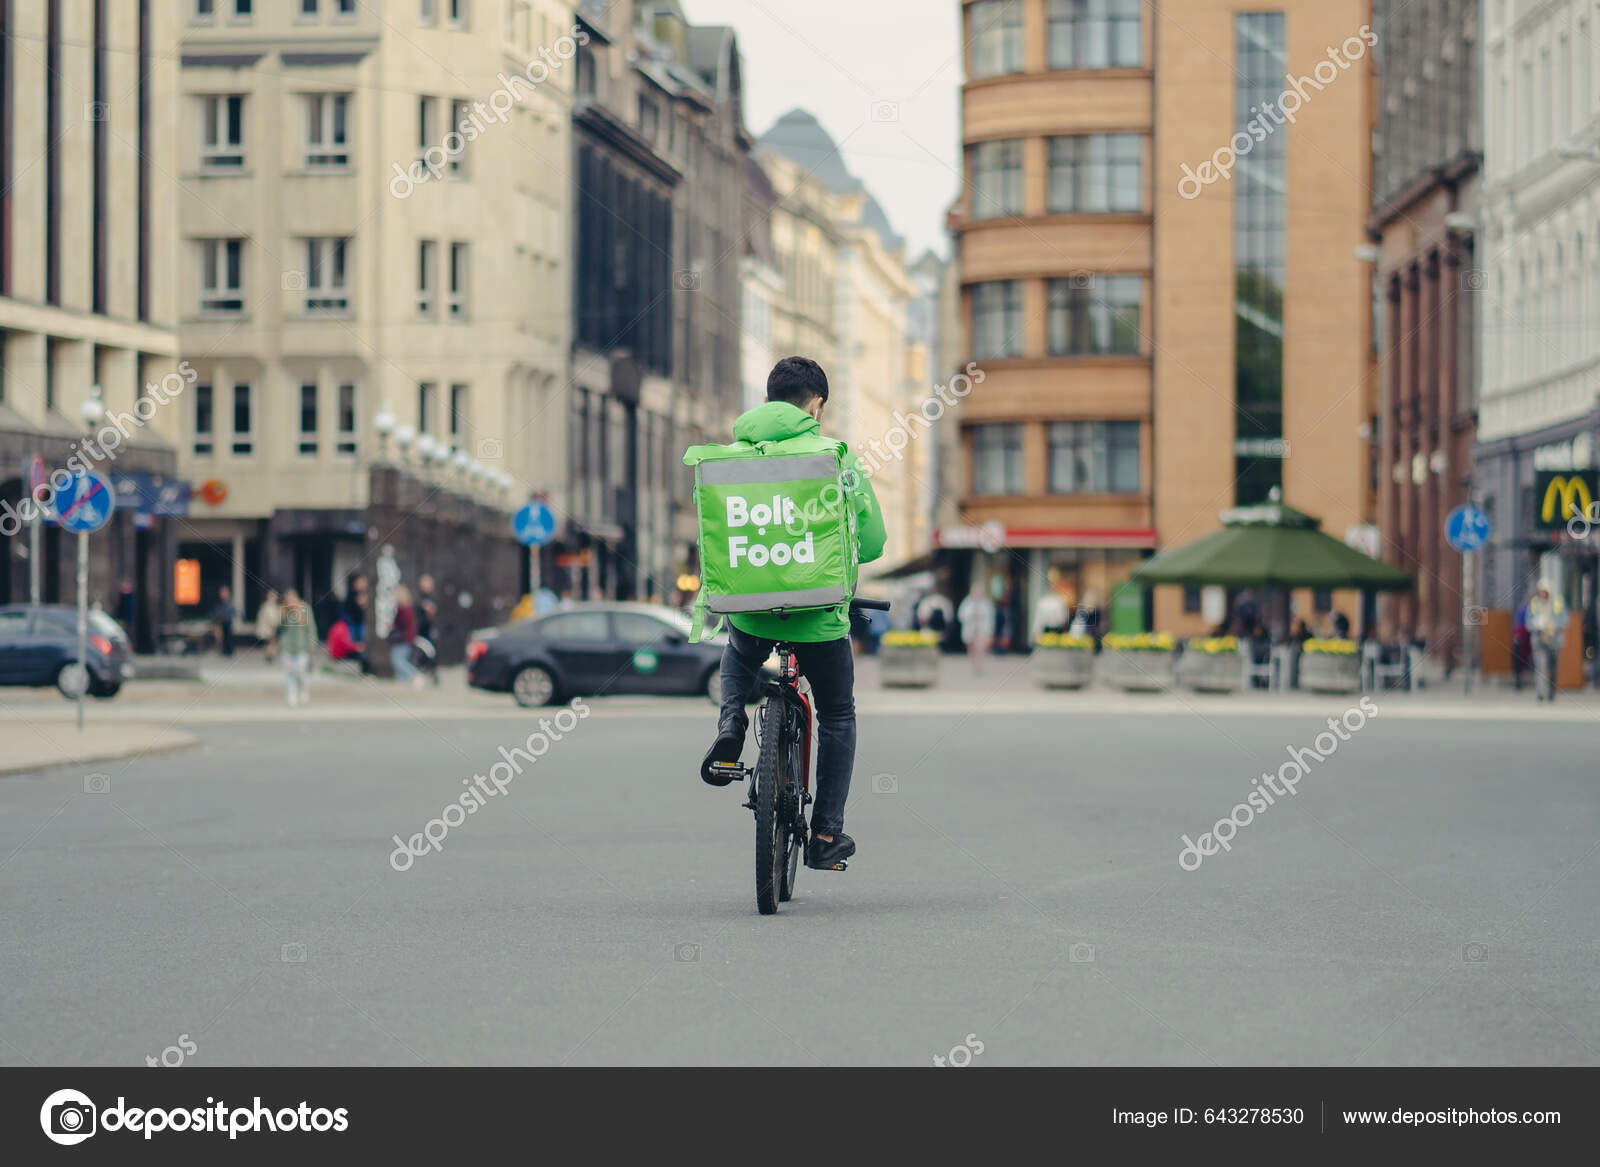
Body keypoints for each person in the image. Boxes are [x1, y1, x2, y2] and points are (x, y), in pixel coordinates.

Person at [697, 356, 886, 871]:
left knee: (738, 645)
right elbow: (872, 543)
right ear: (816, 405)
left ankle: (732, 722)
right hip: (820, 619)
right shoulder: (837, 458)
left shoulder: (728, 458)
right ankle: (826, 834)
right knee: (838, 715)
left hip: (753, 616)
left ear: (767, 399)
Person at [1527, 583, 1566, 701]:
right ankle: (1540, 692)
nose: (1543, 594)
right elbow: (1528, 622)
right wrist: (1538, 625)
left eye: (1545, 591)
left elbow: (1565, 619)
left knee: (1553, 667)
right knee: (1541, 666)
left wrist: (1553, 626)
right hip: (1539, 640)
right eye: (1541, 591)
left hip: (1554, 640)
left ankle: (1551, 692)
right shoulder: (1534, 603)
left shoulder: (1557, 603)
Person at [278, 589, 314, 707]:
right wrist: (281, 615)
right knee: (290, 674)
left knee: (301, 672)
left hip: (301, 648)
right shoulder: (284, 611)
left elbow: (311, 629)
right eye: (288, 600)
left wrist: (311, 645)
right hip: (287, 648)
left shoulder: (305, 610)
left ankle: (304, 690)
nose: (291, 603)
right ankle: (291, 696)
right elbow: (278, 631)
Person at [958, 585, 996, 674]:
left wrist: (990, 632)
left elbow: (990, 619)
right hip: (970, 630)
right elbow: (961, 616)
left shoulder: (986, 603)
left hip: (982, 630)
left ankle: (979, 665)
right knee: (971, 649)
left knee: (980, 648)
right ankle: (973, 665)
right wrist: (972, 614)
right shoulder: (966, 602)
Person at [389, 584, 420, 686]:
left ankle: (415, 675)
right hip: (406, 639)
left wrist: (394, 628)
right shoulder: (406, 609)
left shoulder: (404, 610)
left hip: (403, 639)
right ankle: (402, 682)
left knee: (398, 661)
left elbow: (405, 626)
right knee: (399, 661)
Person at [255, 589, 281, 664]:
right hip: (269, 629)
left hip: (268, 629)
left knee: (270, 643)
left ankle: (269, 656)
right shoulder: (269, 606)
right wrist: (278, 623)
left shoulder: (267, 605)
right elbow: (272, 619)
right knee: (271, 643)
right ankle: (269, 656)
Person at [212, 586, 237, 657]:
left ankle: (229, 650)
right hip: (221, 622)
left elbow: (232, 612)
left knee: (228, 636)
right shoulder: (220, 603)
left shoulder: (230, 603)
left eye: (224, 592)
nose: (222, 594)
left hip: (227, 622)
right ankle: (225, 650)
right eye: (222, 593)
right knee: (222, 637)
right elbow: (216, 612)